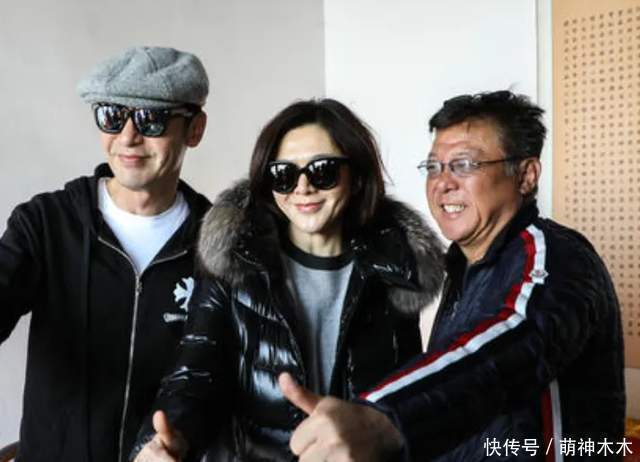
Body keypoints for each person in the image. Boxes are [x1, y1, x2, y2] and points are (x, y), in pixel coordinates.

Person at [278, 90, 626, 461]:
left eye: (464, 165)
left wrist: (382, 418)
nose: (442, 183)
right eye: (434, 167)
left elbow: (510, 343)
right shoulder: (460, 265)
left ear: (526, 176)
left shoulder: (556, 256)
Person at [130, 98, 445, 461]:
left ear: (357, 176)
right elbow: (195, 374)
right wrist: (166, 439)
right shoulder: (234, 266)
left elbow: (401, 402)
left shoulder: (393, 272)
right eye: (284, 174)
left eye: (323, 171)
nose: (303, 187)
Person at [0, 46, 211, 462]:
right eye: (112, 115)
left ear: (195, 129)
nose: (128, 137)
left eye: (151, 118)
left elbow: (221, 378)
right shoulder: (46, 223)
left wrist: (181, 438)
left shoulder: (219, 243)